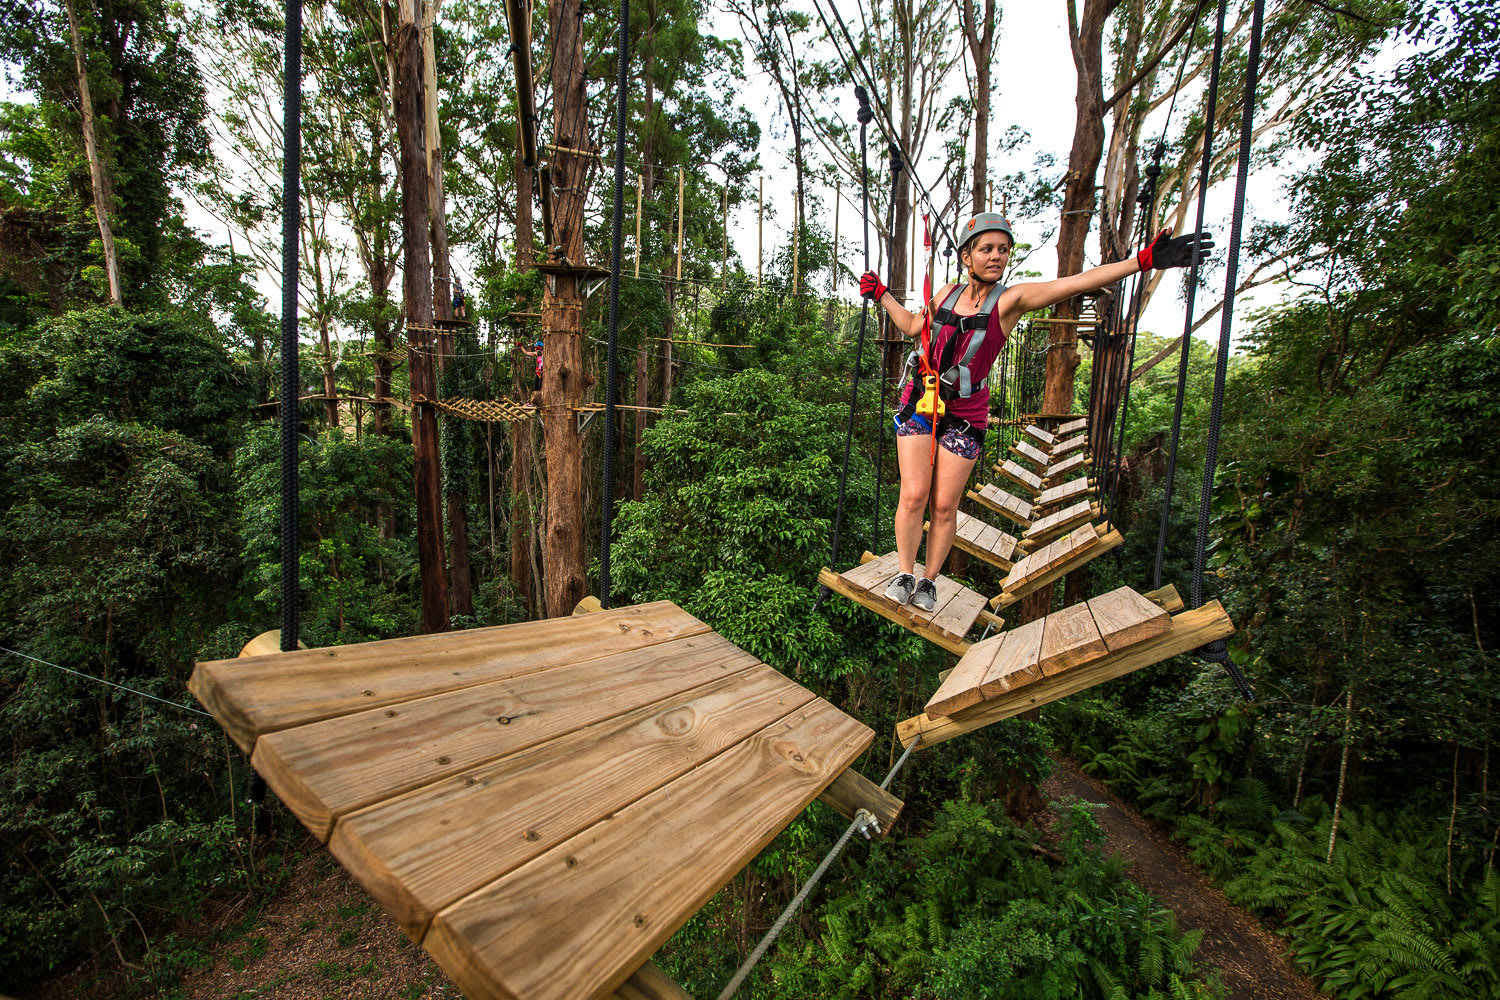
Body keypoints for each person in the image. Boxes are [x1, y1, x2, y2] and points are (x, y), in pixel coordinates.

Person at [859, 213, 1212, 612]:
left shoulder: (1011, 301)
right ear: (966, 256)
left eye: (1003, 250)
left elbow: (1076, 282)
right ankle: (906, 571)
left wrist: (1143, 262)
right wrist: (883, 295)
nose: (996, 256)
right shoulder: (943, 294)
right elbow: (911, 326)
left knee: (943, 506)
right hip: (921, 399)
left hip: (966, 411)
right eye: (986, 249)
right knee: (914, 494)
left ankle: (928, 582)